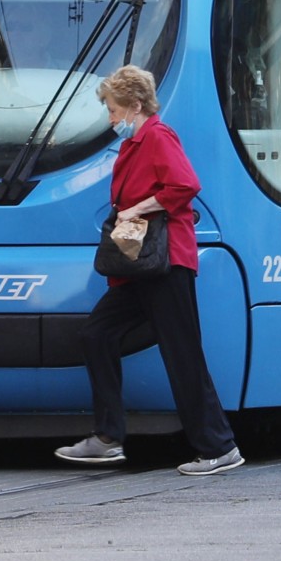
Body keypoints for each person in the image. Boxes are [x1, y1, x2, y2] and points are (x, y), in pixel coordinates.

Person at [55, 65, 244, 476]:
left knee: (182, 355)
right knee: (96, 334)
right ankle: (107, 438)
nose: (110, 118)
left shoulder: (157, 136)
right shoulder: (134, 144)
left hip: (167, 263)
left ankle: (219, 447)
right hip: (140, 267)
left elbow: (184, 185)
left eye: (113, 109)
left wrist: (137, 208)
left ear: (135, 106)